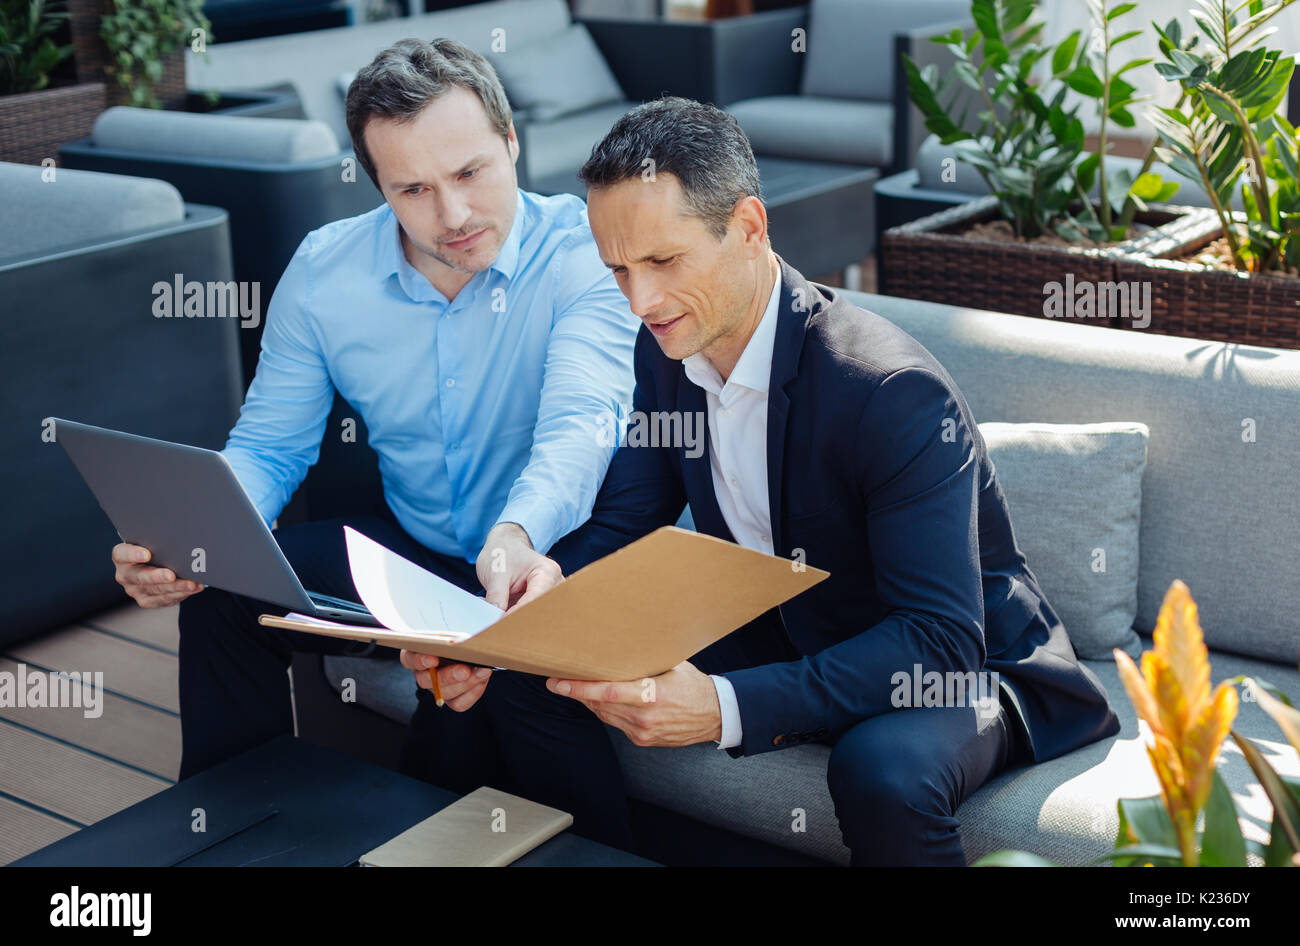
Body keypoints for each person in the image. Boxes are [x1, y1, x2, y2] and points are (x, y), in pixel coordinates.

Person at [397, 97, 1121, 864]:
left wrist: (723, 707)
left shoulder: (889, 391)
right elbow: (626, 517)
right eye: (618, 269)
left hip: (965, 664)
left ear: (747, 227)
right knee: (535, 675)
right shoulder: (668, 349)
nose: (640, 301)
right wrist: (509, 634)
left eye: (664, 261)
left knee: (882, 771)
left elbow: (939, 638)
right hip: (787, 622)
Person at [108, 38, 639, 780]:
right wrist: (192, 536)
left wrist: (517, 535)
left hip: (550, 556)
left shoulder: (585, 254)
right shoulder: (326, 273)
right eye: (412, 190)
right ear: (375, 184)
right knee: (220, 598)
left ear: (512, 141)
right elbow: (269, 447)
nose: (453, 214)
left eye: (470, 172)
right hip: (411, 558)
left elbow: (581, 424)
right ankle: (230, 836)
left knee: (487, 721)